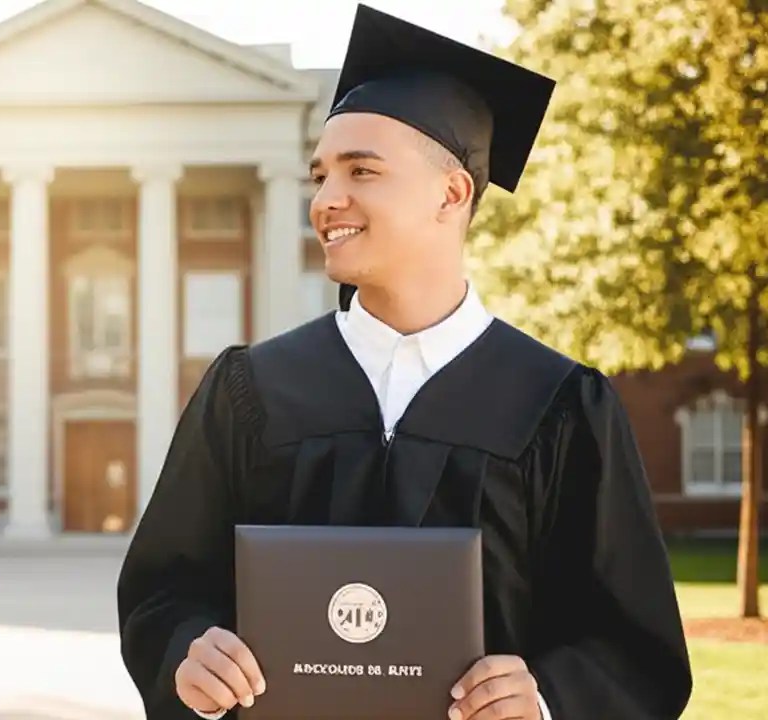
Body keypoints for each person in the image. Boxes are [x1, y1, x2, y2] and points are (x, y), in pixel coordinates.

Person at [116, 5, 692, 720]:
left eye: (362, 171)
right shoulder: (251, 392)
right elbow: (163, 592)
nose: (326, 201)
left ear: (451, 194)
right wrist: (186, 655)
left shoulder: (559, 404)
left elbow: (634, 647)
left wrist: (544, 700)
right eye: (320, 175)